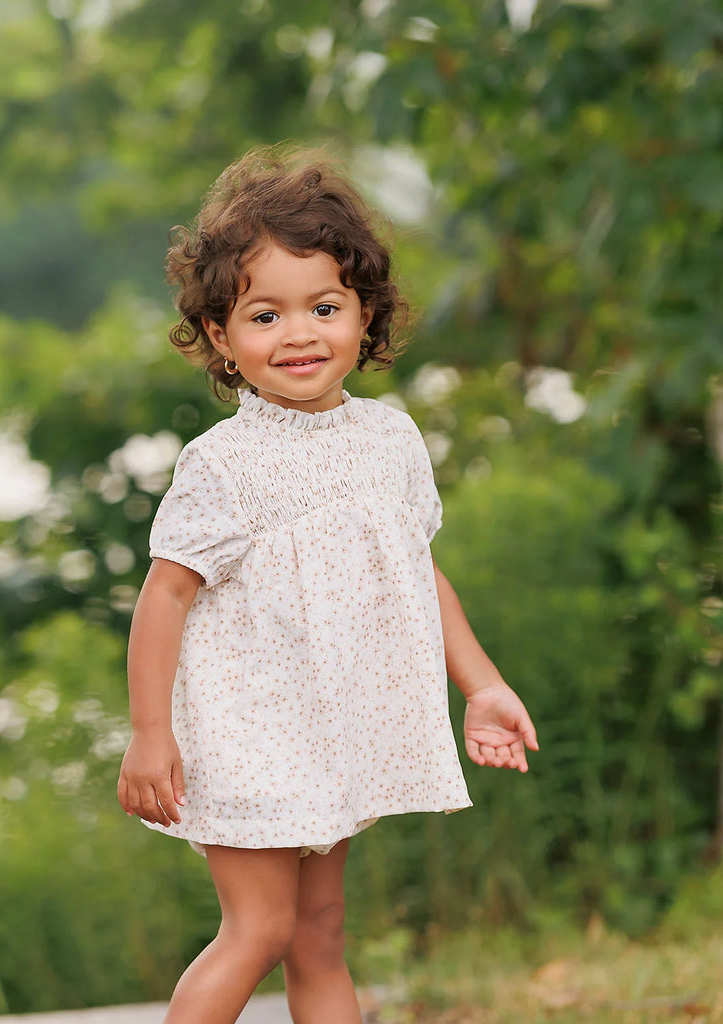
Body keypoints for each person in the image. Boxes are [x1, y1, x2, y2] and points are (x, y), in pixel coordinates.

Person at [116, 145, 538, 1024]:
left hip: (331, 727)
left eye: (324, 307)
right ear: (223, 340)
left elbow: (417, 570)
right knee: (260, 928)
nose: (300, 334)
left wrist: (485, 684)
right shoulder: (226, 464)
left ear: (365, 315)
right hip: (246, 731)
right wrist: (150, 735)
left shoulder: (389, 440)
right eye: (265, 315)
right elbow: (166, 596)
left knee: (321, 932)